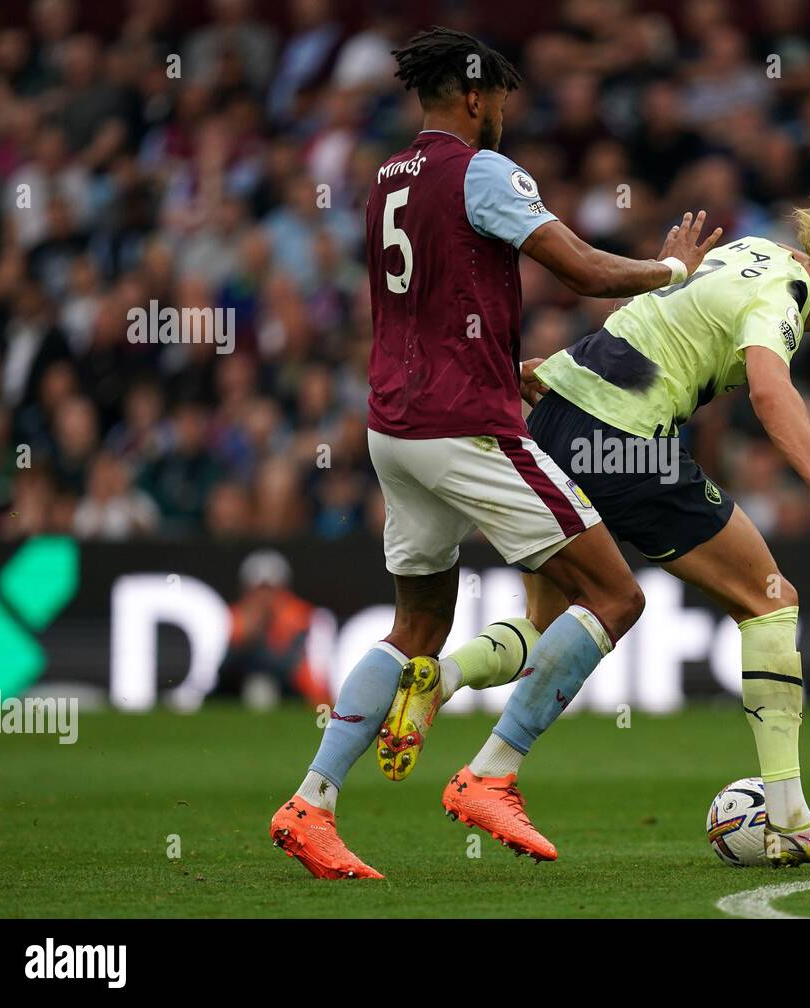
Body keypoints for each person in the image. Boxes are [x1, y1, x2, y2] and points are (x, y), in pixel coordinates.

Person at [269, 26, 720, 879]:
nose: (508, 113)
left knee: (418, 627)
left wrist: (500, 366)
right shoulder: (483, 171)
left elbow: (418, 311)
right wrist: (670, 272)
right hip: (463, 431)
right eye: (504, 97)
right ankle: (492, 772)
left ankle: (311, 803)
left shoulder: (385, 180)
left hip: (394, 428)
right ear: (477, 95)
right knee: (616, 596)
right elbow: (581, 268)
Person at [426, 200, 810, 869]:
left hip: (555, 412)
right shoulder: (787, 293)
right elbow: (770, 390)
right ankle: (790, 818)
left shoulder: (755, 255)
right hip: (625, 439)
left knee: (545, 627)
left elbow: (693, 312)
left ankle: (438, 679)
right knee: (770, 598)